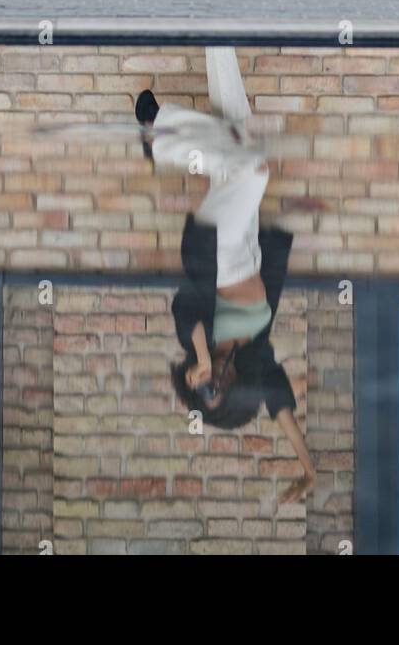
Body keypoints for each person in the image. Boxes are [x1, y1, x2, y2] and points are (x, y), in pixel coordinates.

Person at [137, 47, 315, 503]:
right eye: (221, 389)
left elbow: (188, 311)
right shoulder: (257, 357)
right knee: (237, 130)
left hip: (219, 253)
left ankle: (162, 135)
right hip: (249, 249)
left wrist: (200, 357)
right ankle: (218, 38)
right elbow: (282, 408)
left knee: (253, 168)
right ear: (237, 391)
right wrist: (308, 469)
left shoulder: (195, 336)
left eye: (205, 388)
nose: (214, 379)